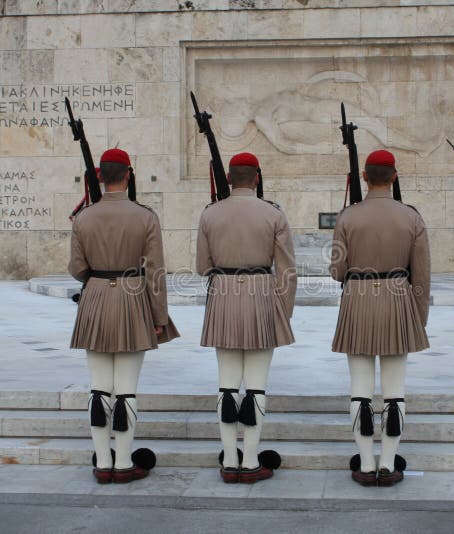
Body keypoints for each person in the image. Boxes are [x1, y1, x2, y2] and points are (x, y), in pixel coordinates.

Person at [69, 148, 179, 484]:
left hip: (96, 297)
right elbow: (156, 271)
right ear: (128, 175)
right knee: (126, 389)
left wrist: (99, 279)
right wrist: (159, 315)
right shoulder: (145, 216)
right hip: (132, 297)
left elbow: (76, 269)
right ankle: (124, 462)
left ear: (100, 177)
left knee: (99, 388)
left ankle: (103, 463)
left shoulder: (84, 217)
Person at [330, 149, 430, 487]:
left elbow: (337, 270)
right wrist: (418, 317)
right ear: (395, 176)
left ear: (363, 178)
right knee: (394, 391)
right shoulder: (411, 217)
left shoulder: (347, 217)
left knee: (360, 390)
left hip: (358, 299)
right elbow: (422, 275)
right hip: (398, 300)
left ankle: (366, 464)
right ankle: (388, 464)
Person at [196, 152, 296, 484]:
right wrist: (283, 311)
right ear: (256, 177)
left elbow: (201, 267)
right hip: (261, 295)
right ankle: (250, 460)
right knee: (256, 386)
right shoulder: (273, 214)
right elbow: (286, 271)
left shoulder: (210, 214)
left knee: (226, 385)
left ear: (228, 177)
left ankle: (228, 459)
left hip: (223, 295)